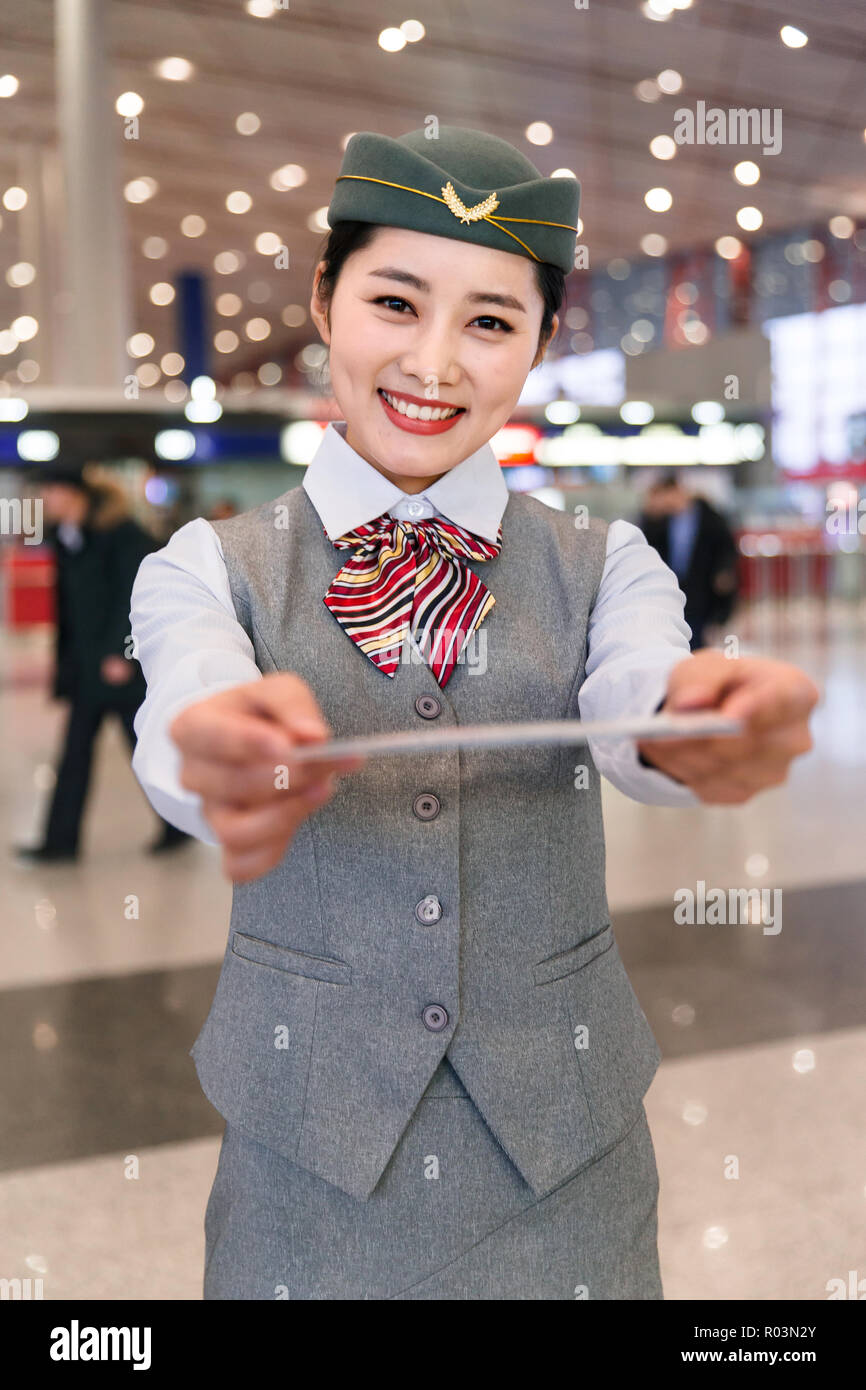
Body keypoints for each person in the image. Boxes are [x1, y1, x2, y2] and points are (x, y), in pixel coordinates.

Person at [129, 126, 818, 1300]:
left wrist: (688, 720)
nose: (434, 363)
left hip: (566, 1162)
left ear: (543, 342)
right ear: (323, 299)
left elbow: (631, 694)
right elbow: (188, 701)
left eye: (490, 322)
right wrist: (217, 753)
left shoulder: (608, 562)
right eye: (395, 302)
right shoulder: (209, 565)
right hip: (305, 1169)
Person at [16, 465, 190, 863]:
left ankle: (177, 823)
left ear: (72, 493)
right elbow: (69, 608)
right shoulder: (66, 536)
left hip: (118, 669)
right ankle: (60, 842)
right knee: (76, 751)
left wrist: (122, 653)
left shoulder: (122, 535)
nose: (45, 500)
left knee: (143, 747)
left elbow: (136, 595)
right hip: (85, 668)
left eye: (50, 491)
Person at [638, 473, 739, 649]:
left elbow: (725, 547)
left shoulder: (708, 516)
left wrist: (723, 572)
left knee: (696, 637)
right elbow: (645, 545)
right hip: (671, 586)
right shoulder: (660, 521)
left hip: (700, 589)